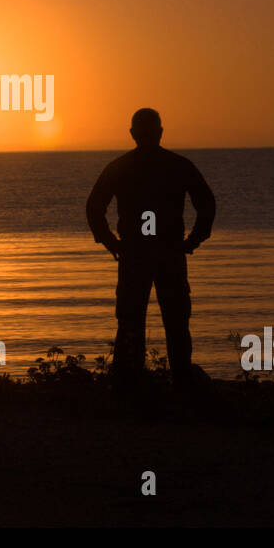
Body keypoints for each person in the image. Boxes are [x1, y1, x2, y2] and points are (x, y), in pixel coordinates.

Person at [86, 108, 215, 392]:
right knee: (173, 321)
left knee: (136, 320)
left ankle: (132, 383)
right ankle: (176, 382)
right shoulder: (178, 165)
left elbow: (94, 208)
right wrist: (192, 241)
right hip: (164, 253)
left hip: (138, 254)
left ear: (133, 134)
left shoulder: (120, 167)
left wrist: (111, 242)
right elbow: (206, 204)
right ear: (159, 132)